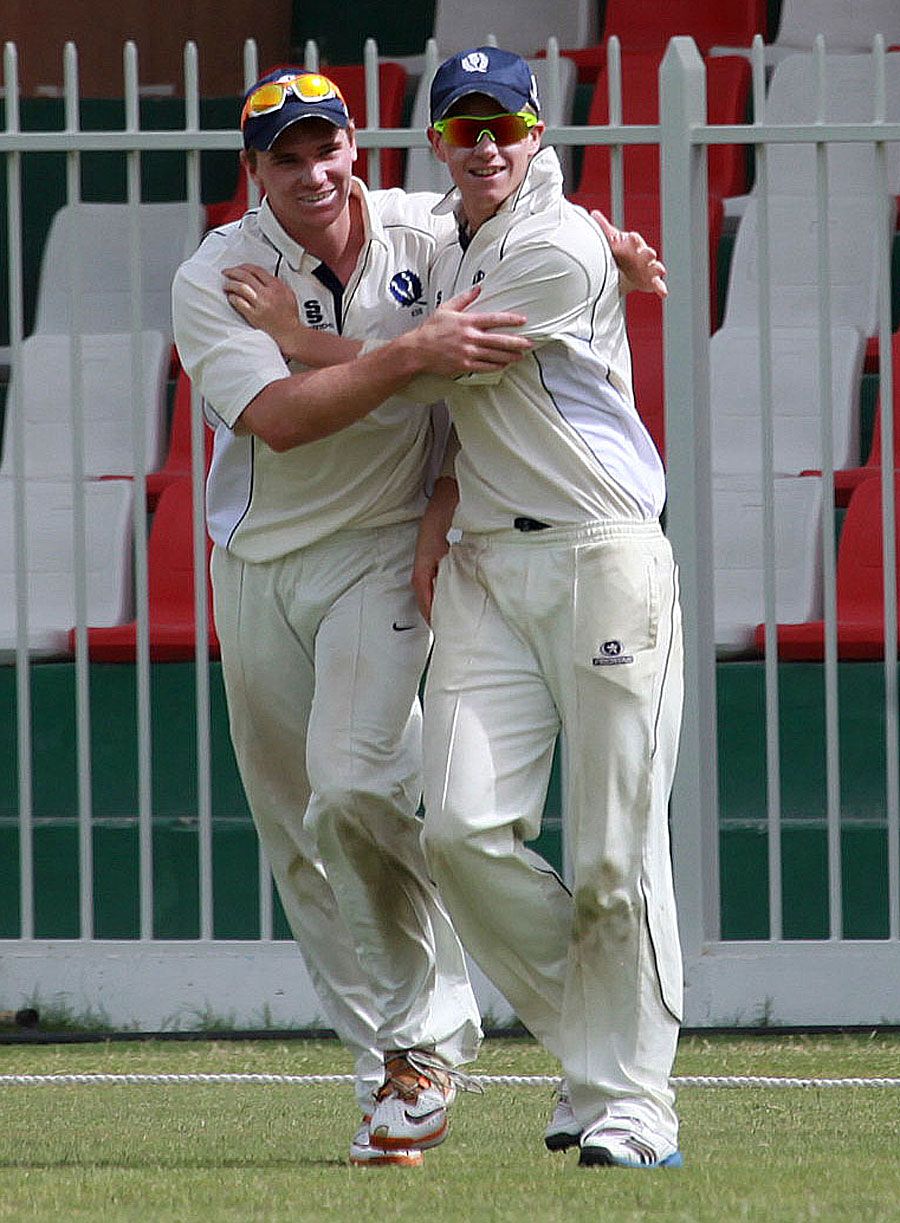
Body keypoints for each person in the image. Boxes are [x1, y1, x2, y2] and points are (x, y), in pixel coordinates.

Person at [175, 66, 669, 1167]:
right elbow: (279, 419)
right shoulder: (219, 273)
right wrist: (404, 352)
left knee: (354, 783)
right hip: (257, 559)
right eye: (286, 158)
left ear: (357, 146)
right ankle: (392, 1062)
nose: (314, 172)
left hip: (385, 548)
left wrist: (611, 261)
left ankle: (434, 1040)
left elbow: (523, 249)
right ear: (253, 173)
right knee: (304, 834)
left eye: (328, 147)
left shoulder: (422, 233)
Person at [400, 47, 686, 1170]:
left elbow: (415, 366)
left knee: (619, 855)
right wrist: (440, 502)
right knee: (461, 831)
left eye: (503, 125)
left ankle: (634, 1104)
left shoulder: (560, 246)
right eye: (464, 126)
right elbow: (378, 238)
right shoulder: (437, 228)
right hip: (483, 565)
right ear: (437, 141)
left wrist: (293, 336)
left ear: (535, 134)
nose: (484, 144)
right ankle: (602, 1052)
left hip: (601, 555)